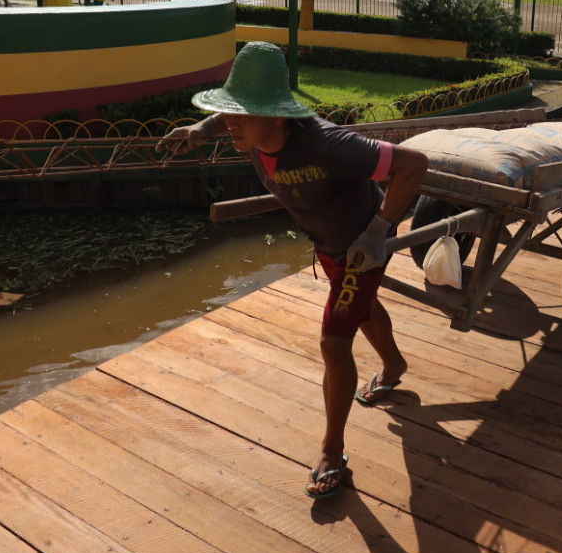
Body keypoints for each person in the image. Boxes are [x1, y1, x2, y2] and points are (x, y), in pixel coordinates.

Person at [159, 43, 429, 500]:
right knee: (360, 309)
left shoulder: (326, 145)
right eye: (229, 113)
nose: (231, 124)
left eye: (242, 114)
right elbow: (228, 118)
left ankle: (332, 450)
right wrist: (200, 128)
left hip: (360, 249)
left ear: (278, 117)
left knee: (334, 341)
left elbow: (413, 164)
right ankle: (394, 365)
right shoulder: (250, 132)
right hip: (327, 241)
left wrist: (377, 232)